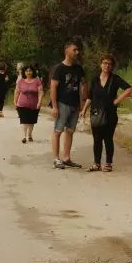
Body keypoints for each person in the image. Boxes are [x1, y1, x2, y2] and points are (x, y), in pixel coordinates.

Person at [80, 54, 132, 172]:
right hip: (96, 113)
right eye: (104, 63)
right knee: (97, 139)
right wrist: (84, 110)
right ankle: (96, 163)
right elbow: (90, 96)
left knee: (108, 138)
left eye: (109, 64)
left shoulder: (115, 79)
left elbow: (129, 89)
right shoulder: (94, 79)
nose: (107, 66)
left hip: (110, 113)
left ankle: (108, 163)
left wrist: (117, 100)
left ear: (112, 66)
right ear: (101, 64)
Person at [50, 41, 87, 169]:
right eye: (74, 50)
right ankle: (56, 158)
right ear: (67, 51)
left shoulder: (78, 68)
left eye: (77, 50)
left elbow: (83, 84)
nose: (77, 52)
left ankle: (66, 157)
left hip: (75, 104)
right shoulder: (59, 68)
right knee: (58, 131)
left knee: (70, 131)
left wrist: (82, 102)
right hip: (62, 104)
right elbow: (53, 87)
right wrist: (54, 106)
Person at [14, 65, 43, 143]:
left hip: (34, 104)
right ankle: (24, 136)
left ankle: (29, 135)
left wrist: (39, 102)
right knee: (24, 120)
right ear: (24, 72)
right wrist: (15, 101)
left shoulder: (37, 81)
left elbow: (40, 92)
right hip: (22, 104)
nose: (28, 72)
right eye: (26, 71)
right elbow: (17, 91)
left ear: (33, 72)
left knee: (31, 121)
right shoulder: (21, 81)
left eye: (30, 71)